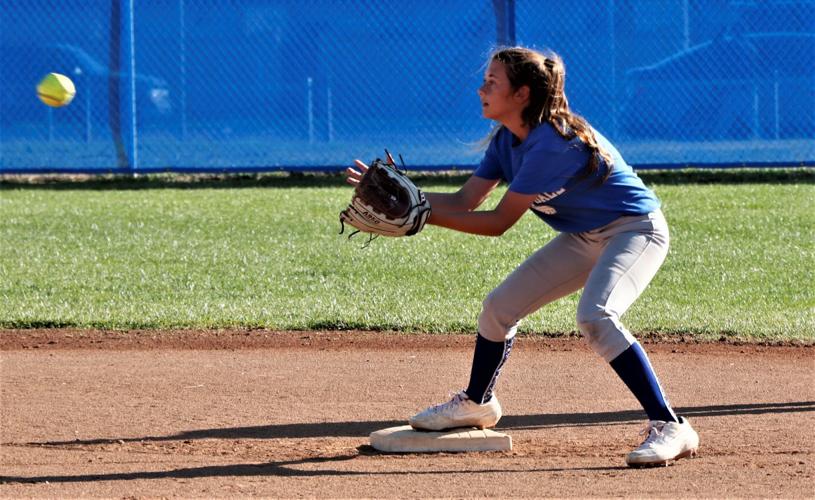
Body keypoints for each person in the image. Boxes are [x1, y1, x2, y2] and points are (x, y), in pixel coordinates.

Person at [346, 47, 699, 467]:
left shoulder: (551, 143)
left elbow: (498, 222)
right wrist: (411, 198)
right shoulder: (506, 141)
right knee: (499, 308)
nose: (481, 89)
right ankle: (477, 402)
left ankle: (670, 424)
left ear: (521, 94)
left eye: (492, 82)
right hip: (584, 236)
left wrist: (420, 216)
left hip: (635, 230)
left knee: (596, 316)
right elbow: (465, 200)